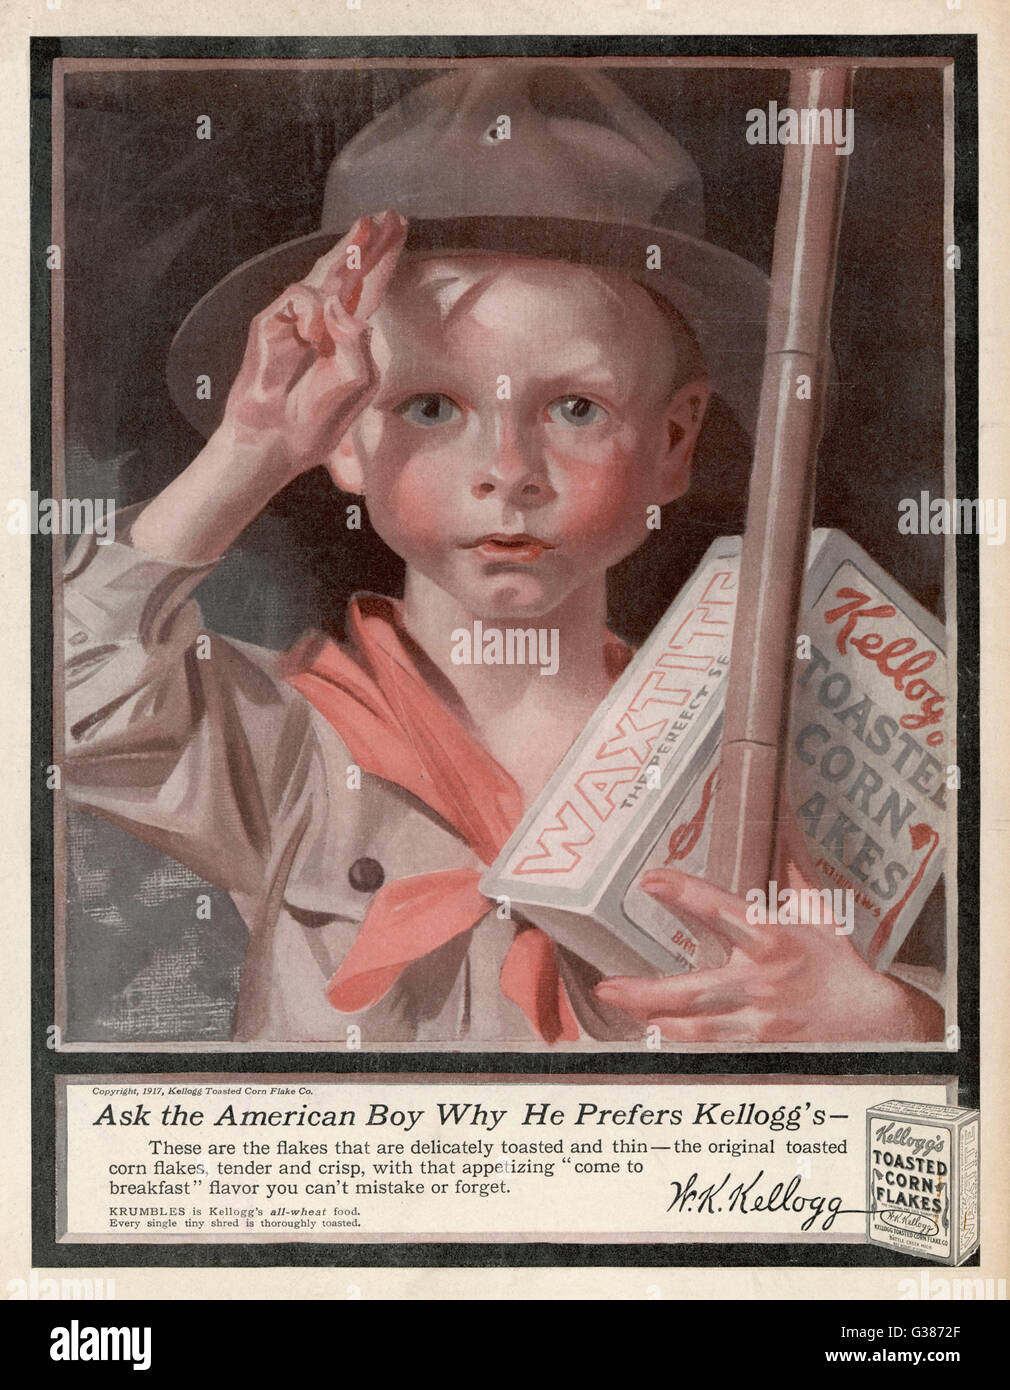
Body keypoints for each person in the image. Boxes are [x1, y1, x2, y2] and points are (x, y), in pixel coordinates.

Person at [63, 67, 943, 1045]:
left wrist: (882, 1015)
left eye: (575, 407)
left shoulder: (752, 754)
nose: (509, 470)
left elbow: (899, 1000)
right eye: (429, 406)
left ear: (673, 440)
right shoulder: (290, 741)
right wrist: (249, 452)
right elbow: (67, 695)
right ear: (344, 438)